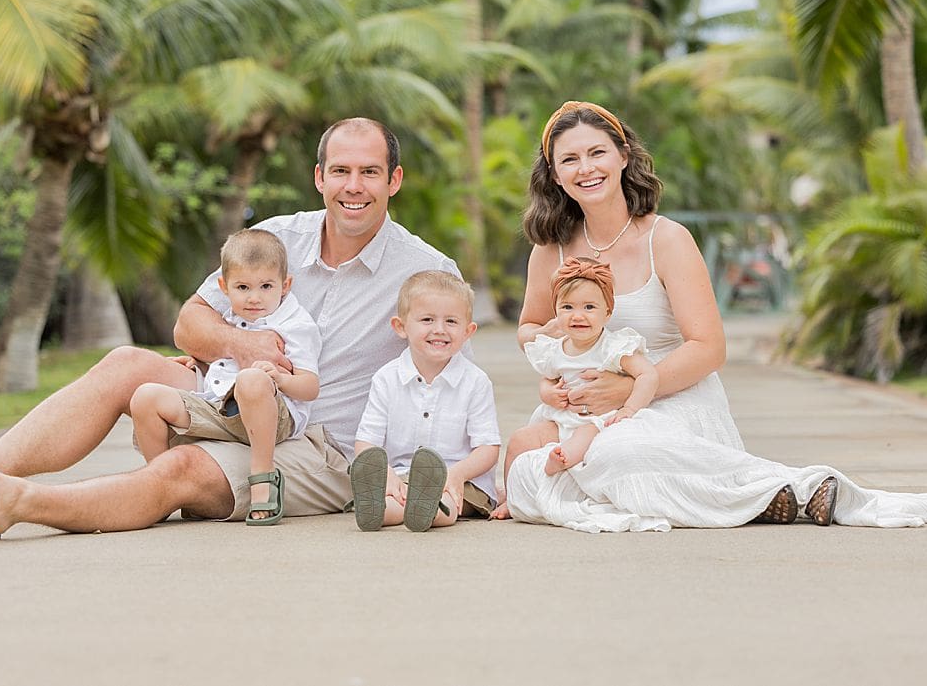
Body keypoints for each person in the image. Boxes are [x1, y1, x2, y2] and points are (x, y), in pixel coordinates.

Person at [0, 117, 463, 538]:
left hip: (319, 446)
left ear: (394, 180)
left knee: (181, 469)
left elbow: (449, 382)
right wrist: (238, 344)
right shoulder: (276, 238)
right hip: (233, 398)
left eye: (369, 172)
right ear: (319, 177)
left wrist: (458, 479)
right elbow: (189, 322)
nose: (354, 186)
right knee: (128, 364)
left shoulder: (427, 271)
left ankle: (13, 502)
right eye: (341, 171)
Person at [494, 100, 927, 532]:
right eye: (570, 160)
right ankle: (752, 498)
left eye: (597, 153)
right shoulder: (550, 251)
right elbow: (531, 330)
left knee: (617, 453)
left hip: (673, 402)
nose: (585, 168)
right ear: (554, 174)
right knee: (526, 466)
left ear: (623, 156)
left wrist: (629, 390)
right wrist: (555, 376)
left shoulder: (666, 239)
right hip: (579, 414)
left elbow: (708, 348)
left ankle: (789, 490)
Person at [130, 228, 321, 526]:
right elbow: (225, 366)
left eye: (266, 286)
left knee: (251, 380)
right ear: (224, 287)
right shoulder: (231, 319)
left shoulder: (295, 325)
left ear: (285, 285)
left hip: (272, 418)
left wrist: (281, 379)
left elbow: (310, 387)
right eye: (242, 287)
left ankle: (263, 480)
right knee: (145, 397)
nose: (254, 298)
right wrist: (199, 364)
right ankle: (159, 484)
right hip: (222, 410)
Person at [348, 271, 500, 532]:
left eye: (451, 321)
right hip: (404, 476)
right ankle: (376, 511)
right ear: (401, 327)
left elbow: (488, 448)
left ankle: (427, 511)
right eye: (427, 319)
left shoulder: (475, 382)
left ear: (468, 331)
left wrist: (457, 474)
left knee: (447, 502)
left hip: (462, 480)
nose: (439, 329)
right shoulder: (386, 378)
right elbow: (366, 441)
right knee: (392, 499)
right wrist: (387, 475)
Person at [522, 257, 658, 478]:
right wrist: (547, 393)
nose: (578, 315)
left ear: (607, 313)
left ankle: (562, 460)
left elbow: (648, 374)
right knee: (520, 440)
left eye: (589, 307)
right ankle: (509, 492)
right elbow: (547, 377)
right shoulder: (554, 348)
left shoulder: (613, 347)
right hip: (561, 418)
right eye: (567, 307)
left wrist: (629, 409)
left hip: (595, 419)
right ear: (556, 312)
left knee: (584, 436)